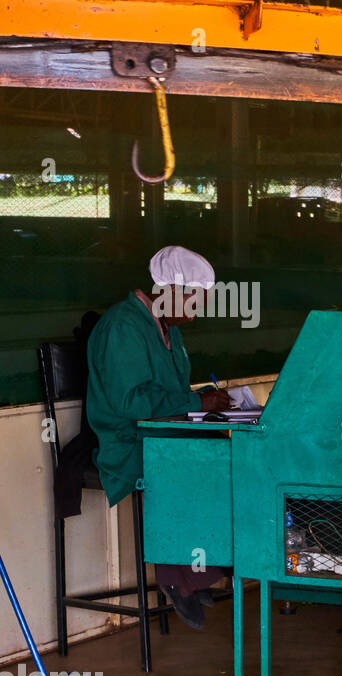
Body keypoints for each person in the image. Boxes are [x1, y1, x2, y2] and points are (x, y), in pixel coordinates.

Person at [86, 245, 234, 630]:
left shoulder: (168, 328)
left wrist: (203, 398)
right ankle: (177, 578)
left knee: (224, 455)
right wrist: (193, 400)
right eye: (194, 302)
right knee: (185, 464)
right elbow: (130, 401)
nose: (196, 311)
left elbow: (168, 392)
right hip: (127, 440)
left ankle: (198, 570)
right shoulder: (124, 326)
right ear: (169, 291)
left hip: (164, 432)